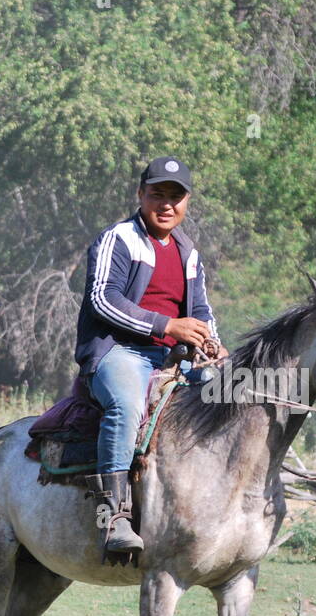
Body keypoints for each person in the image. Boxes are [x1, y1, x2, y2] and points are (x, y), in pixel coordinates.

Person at [73, 156, 226, 556]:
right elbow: (102, 299)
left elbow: (202, 310)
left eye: (175, 196)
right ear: (141, 195)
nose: (166, 204)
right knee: (125, 406)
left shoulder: (188, 251)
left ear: (187, 202)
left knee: (233, 396)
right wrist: (167, 327)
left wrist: (212, 342)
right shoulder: (118, 239)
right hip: (118, 353)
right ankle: (113, 517)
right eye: (157, 194)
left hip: (176, 359)